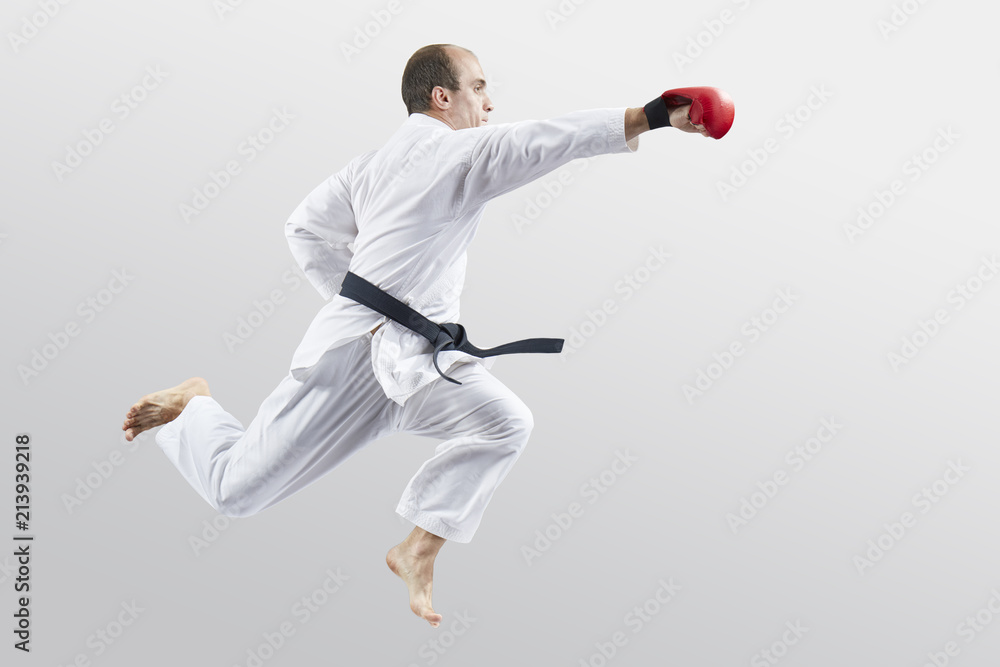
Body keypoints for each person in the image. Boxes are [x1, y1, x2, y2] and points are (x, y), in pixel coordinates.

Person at [122, 43, 712, 628]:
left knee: (505, 422)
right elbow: (545, 137)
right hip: (354, 361)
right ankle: (194, 403)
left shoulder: (368, 167)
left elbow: (304, 228)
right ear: (442, 96)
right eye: (478, 87)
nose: (488, 101)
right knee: (234, 493)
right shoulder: (459, 154)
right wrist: (656, 115)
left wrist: (360, 297)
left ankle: (417, 549)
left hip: (416, 361)